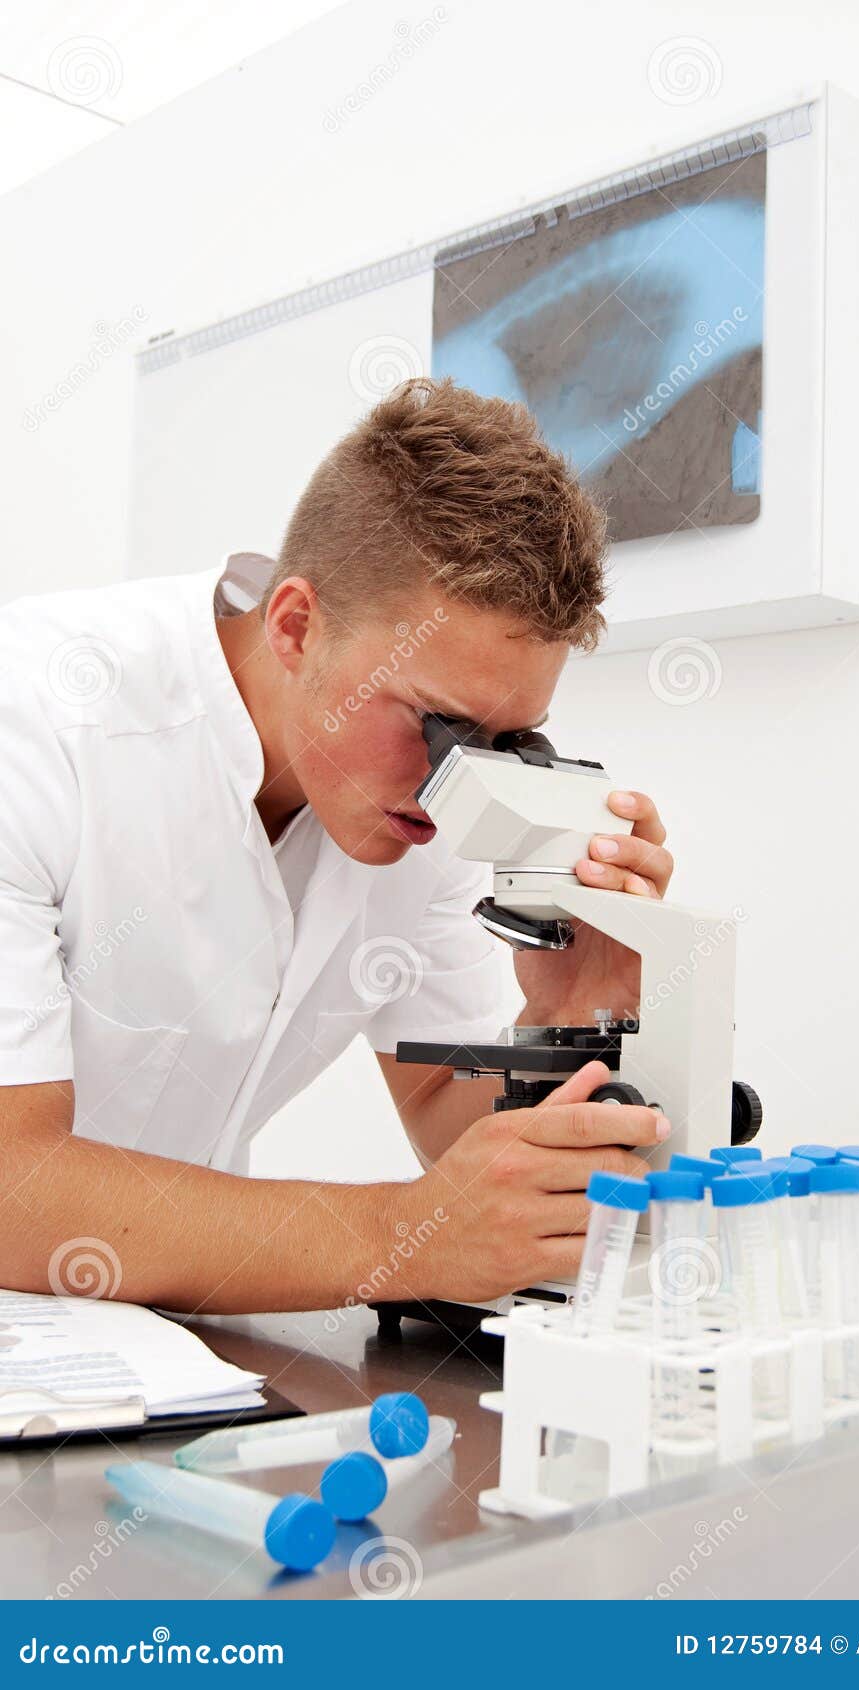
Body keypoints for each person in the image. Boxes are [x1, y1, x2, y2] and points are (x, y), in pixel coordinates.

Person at [0, 378, 674, 1313]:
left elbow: (443, 1112)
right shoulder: (33, 720)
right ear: (294, 625)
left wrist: (569, 1026)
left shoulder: (420, 807)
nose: (461, 785)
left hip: (158, 1348)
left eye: (509, 742)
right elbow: (12, 1189)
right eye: (438, 723)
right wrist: (404, 1239)